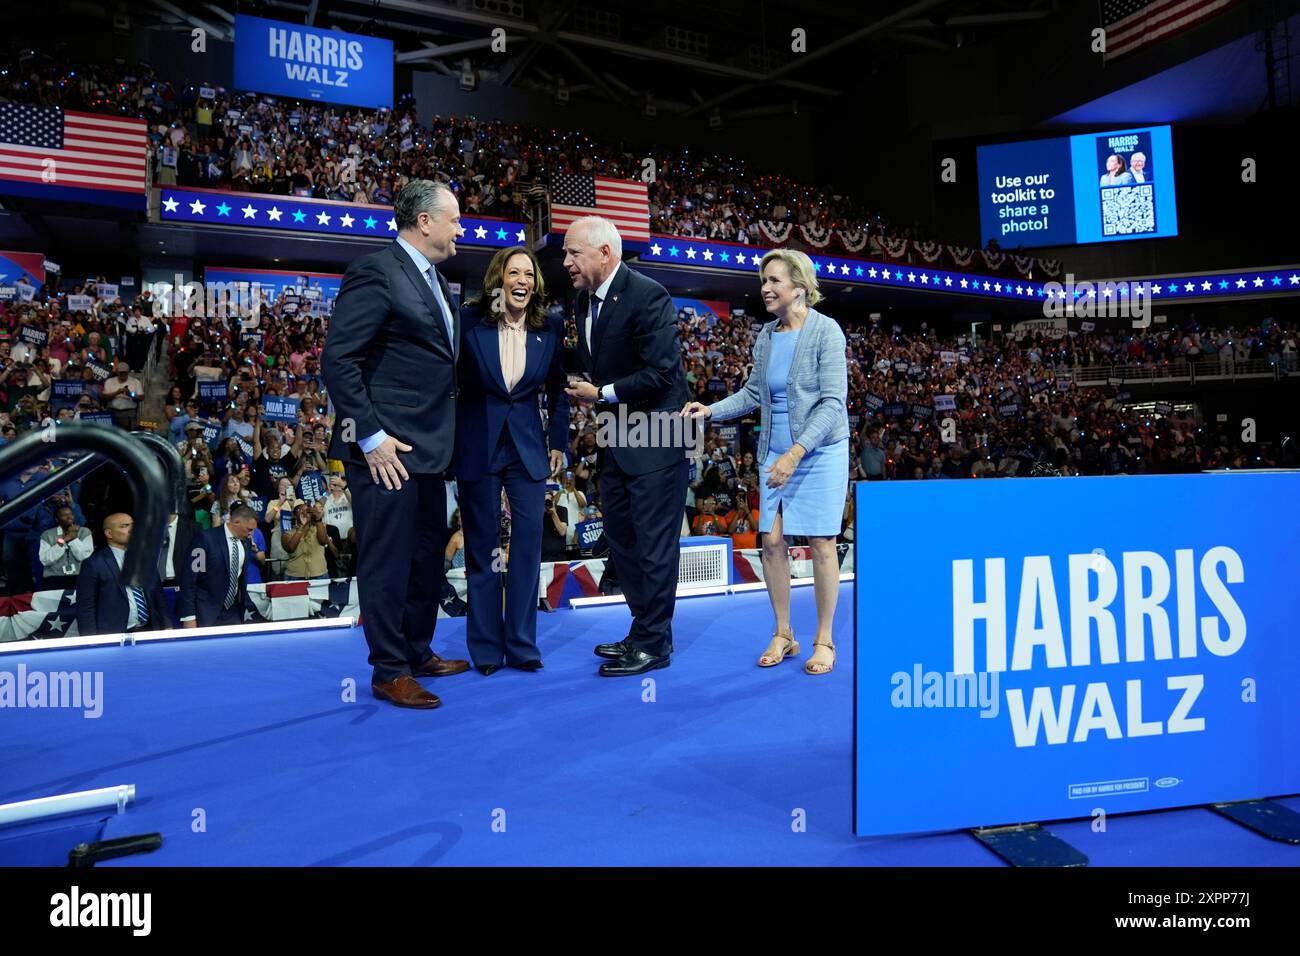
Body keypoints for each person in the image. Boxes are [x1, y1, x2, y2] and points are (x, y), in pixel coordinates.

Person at [321, 179, 469, 710]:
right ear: (424, 221)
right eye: (454, 219)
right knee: (387, 559)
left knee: (427, 556)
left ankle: (415, 648)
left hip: (430, 450)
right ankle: (388, 669)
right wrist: (371, 436)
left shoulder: (436, 280)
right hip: (387, 452)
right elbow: (338, 361)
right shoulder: (377, 271)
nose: (461, 228)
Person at [684, 249, 849, 675]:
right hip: (773, 451)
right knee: (772, 543)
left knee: (820, 544)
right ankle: (783, 632)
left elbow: (833, 403)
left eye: (775, 280)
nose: (766, 288)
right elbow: (753, 395)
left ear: (799, 286)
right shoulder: (766, 335)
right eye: (764, 281)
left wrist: (797, 452)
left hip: (820, 449)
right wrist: (711, 410)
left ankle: (825, 639)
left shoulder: (826, 332)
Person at [562, 215, 691, 677]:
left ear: (605, 253)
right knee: (625, 543)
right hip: (617, 440)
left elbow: (660, 372)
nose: (566, 261)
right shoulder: (581, 302)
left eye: (574, 253)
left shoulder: (648, 294)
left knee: (655, 547)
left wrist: (603, 394)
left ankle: (654, 643)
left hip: (658, 437)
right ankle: (644, 631)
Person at [453, 245, 569, 674]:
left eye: (529, 274)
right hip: (477, 447)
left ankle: (521, 646)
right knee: (482, 551)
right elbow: (451, 383)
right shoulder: (468, 320)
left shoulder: (550, 325)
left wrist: (558, 441)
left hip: (527, 450)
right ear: (498, 279)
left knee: (526, 550)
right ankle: (485, 650)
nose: (522, 281)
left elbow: (558, 390)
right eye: (514, 273)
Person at [75, 513, 174, 637]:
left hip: (150, 631)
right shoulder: (93, 564)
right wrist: (90, 641)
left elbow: (159, 596)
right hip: (114, 635)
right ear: (109, 534)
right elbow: (85, 607)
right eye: (124, 526)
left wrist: (168, 625)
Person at [177, 503, 263, 628]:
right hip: (205, 613)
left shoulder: (246, 543)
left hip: (234, 613)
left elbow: (240, 580)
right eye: (249, 529)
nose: (251, 534)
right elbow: (189, 580)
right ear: (236, 522)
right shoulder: (205, 539)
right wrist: (189, 616)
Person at [38, 505, 94, 591]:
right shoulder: (47, 534)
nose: (69, 517)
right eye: (64, 515)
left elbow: (84, 556)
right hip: (54, 578)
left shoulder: (84, 532)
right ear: (57, 519)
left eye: (71, 514)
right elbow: (45, 560)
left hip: (81, 576)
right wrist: (65, 539)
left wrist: (74, 538)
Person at [283, 501, 330, 580]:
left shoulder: (319, 528)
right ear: (294, 515)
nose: (305, 513)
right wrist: (301, 527)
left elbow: (323, 541)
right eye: (301, 511)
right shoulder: (287, 534)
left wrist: (318, 519)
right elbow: (290, 548)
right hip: (295, 577)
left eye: (308, 511)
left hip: (319, 576)